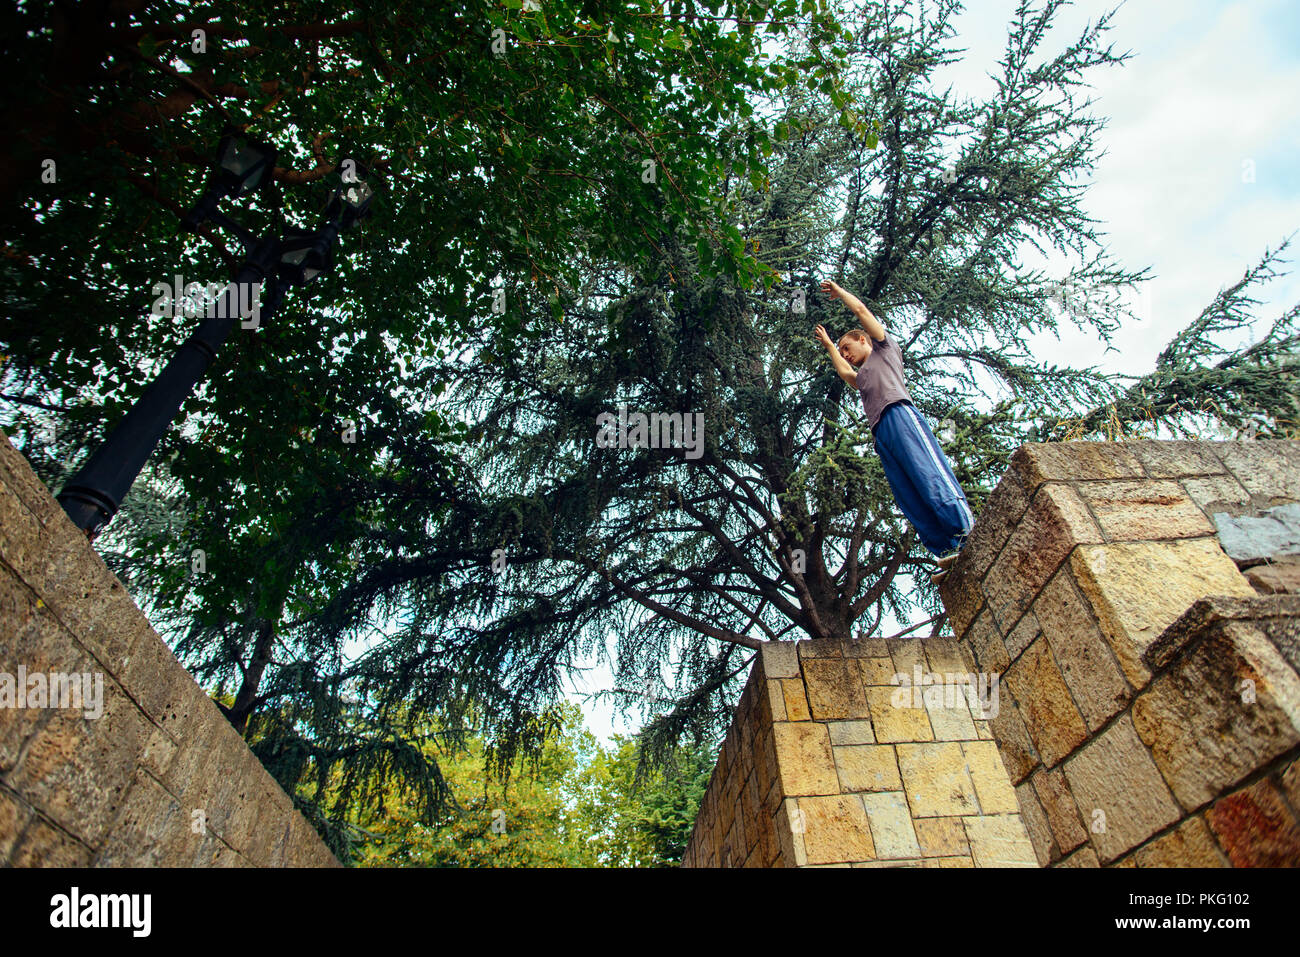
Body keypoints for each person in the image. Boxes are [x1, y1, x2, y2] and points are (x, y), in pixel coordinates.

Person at [813, 279, 973, 582]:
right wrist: (830, 346)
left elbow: (861, 310)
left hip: (900, 415)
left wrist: (841, 294)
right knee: (907, 493)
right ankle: (946, 549)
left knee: (928, 474)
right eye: (843, 350)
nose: (846, 354)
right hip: (882, 434)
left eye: (848, 347)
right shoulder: (861, 378)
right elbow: (845, 372)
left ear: (863, 340)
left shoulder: (884, 349)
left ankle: (965, 532)